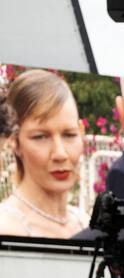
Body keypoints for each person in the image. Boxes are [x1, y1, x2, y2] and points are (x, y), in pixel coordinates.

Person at [0, 70, 86, 239]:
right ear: (14, 141)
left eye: (69, 135)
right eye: (40, 137)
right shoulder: (6, 227)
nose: (60, 154)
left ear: (81, 133)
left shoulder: (85, 223)